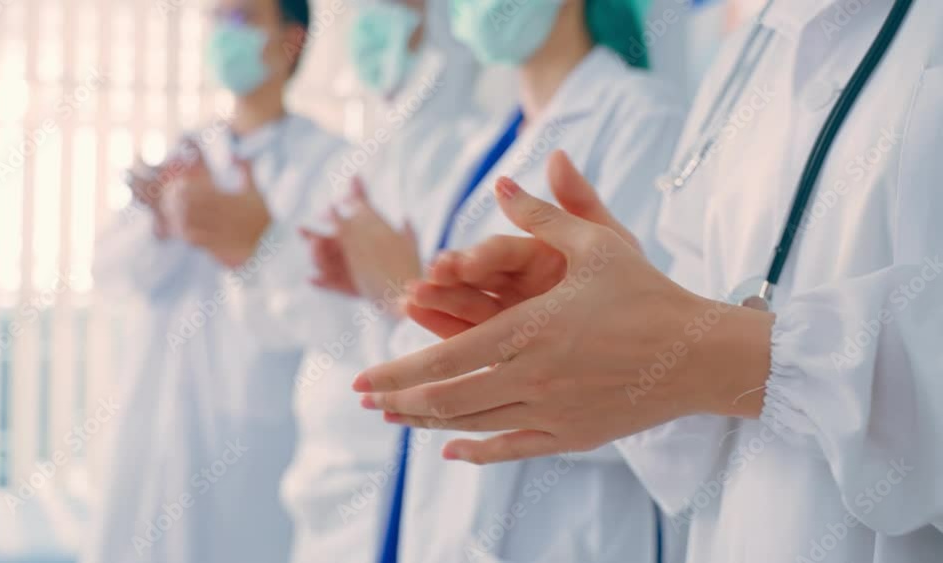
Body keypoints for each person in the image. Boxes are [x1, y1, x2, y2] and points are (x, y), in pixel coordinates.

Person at [354, 1, 943, 562]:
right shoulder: (746, 60)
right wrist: (612, 326)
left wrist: (723, 352)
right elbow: (685, 412)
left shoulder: (644, 114)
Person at [309, 0, 686, 561]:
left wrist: (405, 292)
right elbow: (413, 361)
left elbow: (643, 379)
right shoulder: (483, 148)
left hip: (568, 529)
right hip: (446, 515)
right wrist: (384, 290)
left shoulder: (643, 119)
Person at [86, 1, 347, 561]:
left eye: (243, 20)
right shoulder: (185, 153)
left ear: (290, 41)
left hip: (254, 432)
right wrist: (161, 223)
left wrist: (257, 239)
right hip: (157, 418)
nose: (223, 35)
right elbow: (110, 272)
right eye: (217, 21)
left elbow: (329, 312)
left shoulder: (330, 165)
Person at [277, 2, 508, 562]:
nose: (369, 19)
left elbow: (476, 346)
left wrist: (396, 291)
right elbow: (304, 309)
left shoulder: (468, 155)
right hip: (327, 475)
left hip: (389, 468)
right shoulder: (369, 154)